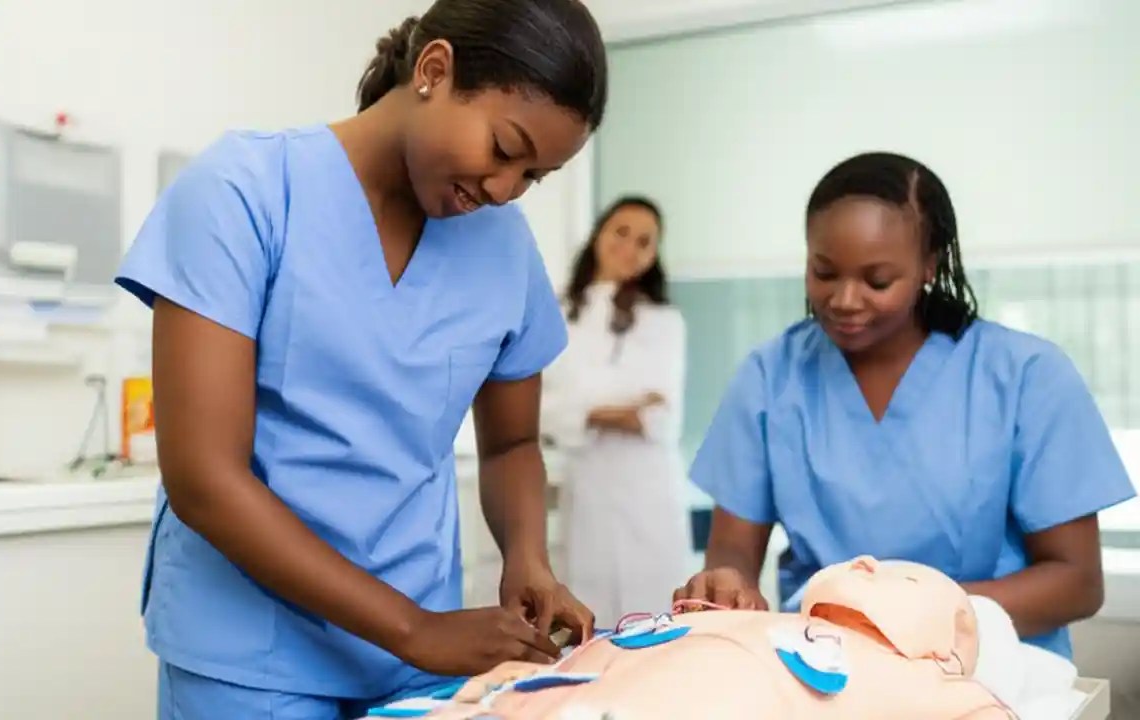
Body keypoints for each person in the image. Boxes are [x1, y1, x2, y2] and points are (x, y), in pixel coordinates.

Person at [113, 1, 608, 717]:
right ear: (434, 70)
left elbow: (511, 441)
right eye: (504, 149)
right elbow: (204, 478)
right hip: (253, 656)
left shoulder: (503, 245)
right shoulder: (243, 192)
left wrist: (527, 558)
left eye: (535, 176)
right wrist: (414, 629)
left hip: (417, 666)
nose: (504, 190)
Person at [674, 151, 1136, 659]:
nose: (845, 300)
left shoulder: (1026, 376)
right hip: (826, 668)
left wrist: (918, 616)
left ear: (928, 268)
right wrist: (726, 586)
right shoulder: (770, 377)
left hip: (993, 672)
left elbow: (1077, 582)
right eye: (824, 272)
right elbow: (735, 551)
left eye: (877, 281)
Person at [541, 196, 691, 623]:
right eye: (621, 232)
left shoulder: (663, 321)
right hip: (588, 484)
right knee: (592, 617)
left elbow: (662, 417)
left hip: (649, 490)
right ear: (599, 235)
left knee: (656, 619)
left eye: (644, 241)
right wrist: (614, 407)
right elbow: (540, 409)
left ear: (654, 255)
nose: (629, 247)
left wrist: (583, 406)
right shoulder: (556, 313)